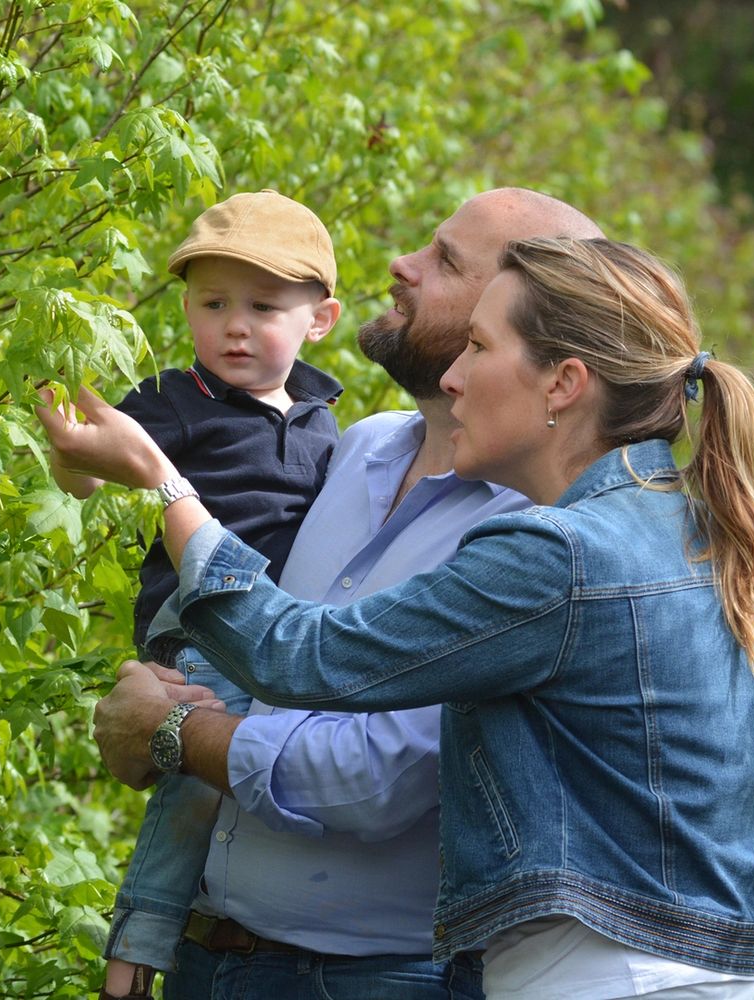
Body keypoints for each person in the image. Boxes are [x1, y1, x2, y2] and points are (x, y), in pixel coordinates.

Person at [39, 237, 754, 999]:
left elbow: (300, 658)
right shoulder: (722, 538)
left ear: (563, 383)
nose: (453, 375)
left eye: (477, 346)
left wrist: (165, 487)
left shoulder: (558, 554)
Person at [98, 189, 604, 1000]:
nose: (400, 266)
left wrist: (174, 732)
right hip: (211, 955)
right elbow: (261, 656)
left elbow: (371, 782)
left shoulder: (534, 535)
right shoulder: (356, 446)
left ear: (517, 320)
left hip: (376, 980)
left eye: (444, 261)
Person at [51, 190, 344, 1000]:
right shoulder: (174, 399)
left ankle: (210, 927)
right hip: (201, 614)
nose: (234, 326)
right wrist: (70, 454)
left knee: (256, 772)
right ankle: (131, 955)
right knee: (190, 767)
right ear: (186, 306)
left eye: (261, 306)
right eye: (212, 304)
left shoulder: (324, 422)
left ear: (319, 319)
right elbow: (89, 473)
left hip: (280, 623)